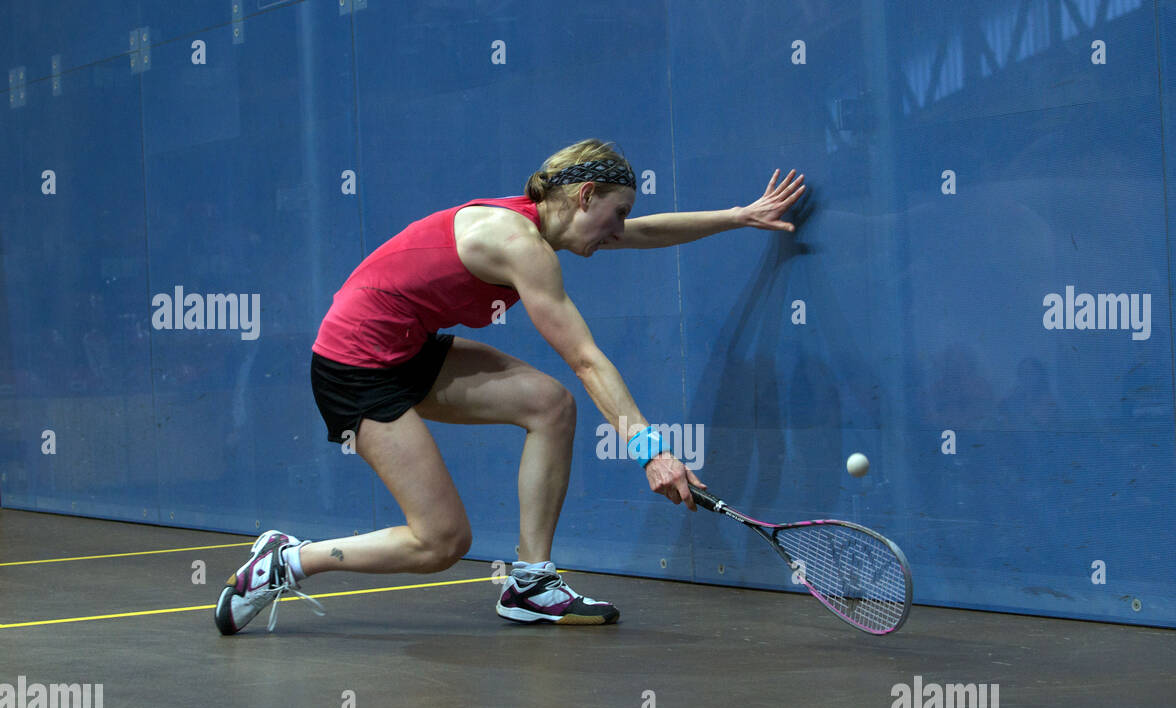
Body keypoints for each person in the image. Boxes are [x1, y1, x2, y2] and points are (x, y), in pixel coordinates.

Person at [215, 140, 805, 634]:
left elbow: (644, 233)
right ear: (584, 196)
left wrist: (736, 217)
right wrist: (652, 452)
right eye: (616, 212)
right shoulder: (518, 244)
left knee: (549, 406)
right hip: (355, 365)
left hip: (408, 349)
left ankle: (529, 582)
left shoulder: (543, 225)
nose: (620, 228)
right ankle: (286, 562)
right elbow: (587, 359)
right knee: (442, 541)